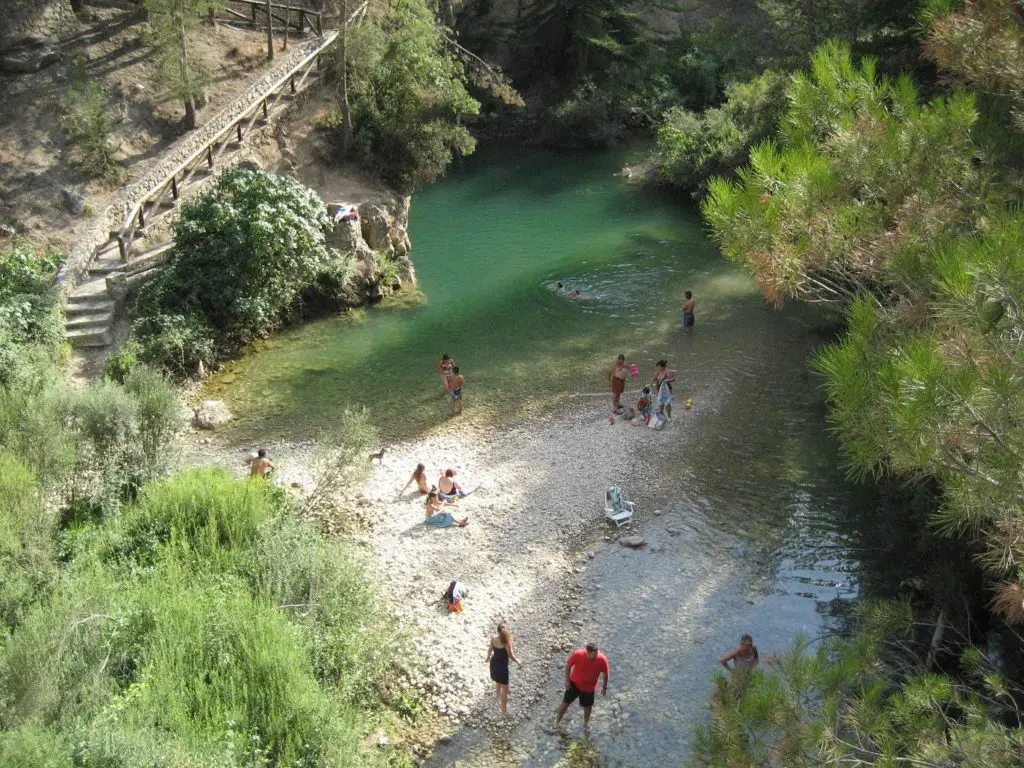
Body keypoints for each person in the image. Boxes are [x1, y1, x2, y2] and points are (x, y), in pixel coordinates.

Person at [554, 643, 609, 729]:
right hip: (574, 685)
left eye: (597, 653)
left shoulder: (602, 659)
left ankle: (586, 723)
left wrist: (604, 687)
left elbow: (605, 674)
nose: (595, 656)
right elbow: (568, 666)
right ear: (587, 652)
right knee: (565, 703)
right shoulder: (578, 654)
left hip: (589, 689)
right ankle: (557, 721)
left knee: (588, 707)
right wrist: (567, 681)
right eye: (593, 655)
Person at [486, 623, 522, 715]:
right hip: (502, 667)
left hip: (493, 664)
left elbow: (490, 649)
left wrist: (488, 657)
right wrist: (518, 661)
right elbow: (511, 656)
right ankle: (504, 711)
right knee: (505, 690)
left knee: (497, 681)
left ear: (498, 631)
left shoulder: (493, 638)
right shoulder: (506, 642)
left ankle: (497, 695)